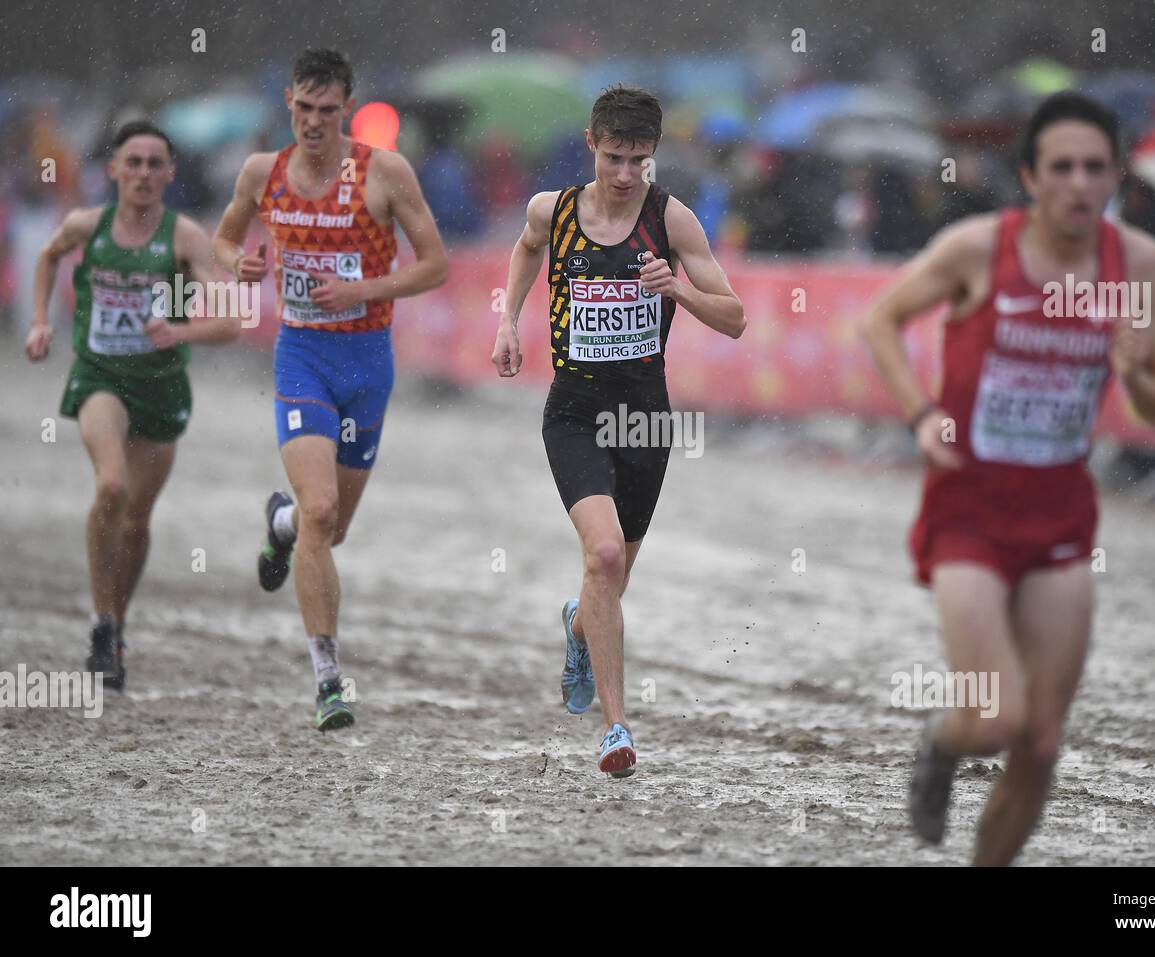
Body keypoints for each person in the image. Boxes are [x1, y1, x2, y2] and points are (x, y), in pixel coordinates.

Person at [864, 92, 1155, 864]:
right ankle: (943, 741)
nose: (1080, 184)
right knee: (992, 717)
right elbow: (881, 320)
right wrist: (920, 414)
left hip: (1062, 519)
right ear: (1030, 179)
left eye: (1096, 169)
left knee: (1040, 739)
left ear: (1116, 178)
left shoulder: (1136, 266)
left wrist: (1137, 375)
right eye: (1062, 168)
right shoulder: (978, 248)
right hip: (968, 513)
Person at [492, 85, 745, 777]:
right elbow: (523, 249)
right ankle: (616, 729)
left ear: (654, 156)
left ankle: (579, 626)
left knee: (612, 575)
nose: (626, 174)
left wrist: (679, 291)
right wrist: (508, 322)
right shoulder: (555, 210)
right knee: (603, 555)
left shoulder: (673, 220)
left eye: (639, 160)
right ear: (590, 146)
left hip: (643, 420)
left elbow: (734, 316)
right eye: (613, 157)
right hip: (573, 412)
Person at [213, 49, 449, 731]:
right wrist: (243, 261)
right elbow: (225, 240)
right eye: (302, 108)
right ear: (287, 100)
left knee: (329, 527)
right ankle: (327, 680)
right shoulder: (263, 172)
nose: (313, 121)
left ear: (346, 107)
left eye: (327, 109)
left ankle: (278, 525)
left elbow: (435, 264)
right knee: (322, 508)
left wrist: (363, 288)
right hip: (303, 358)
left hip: (368, 363)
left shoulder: (384, 173)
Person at [25, 120, 240, 688]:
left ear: (170, 174)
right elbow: (48, 257)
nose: (143, 173)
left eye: (154, 164)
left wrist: (181, 332)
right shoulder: (86, 226)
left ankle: (118, 625)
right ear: (113, 170)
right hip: (99, 376)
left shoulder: (184, 238)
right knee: (112, 488)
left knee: (138, 518)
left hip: (161, 386)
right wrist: (42, 321)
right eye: (133, 162)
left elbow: (228, 321)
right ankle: (100, 623)